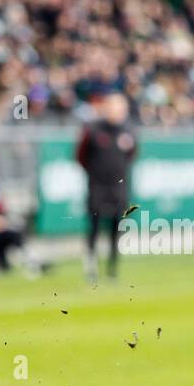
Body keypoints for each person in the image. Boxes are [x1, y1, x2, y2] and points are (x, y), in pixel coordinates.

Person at [75, 91, 137, 282]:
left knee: (117, 225)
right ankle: (91, 266)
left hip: (118, 186)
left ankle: (112, 269)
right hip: (97, 185)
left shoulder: (128, 131)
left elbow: (131, 154)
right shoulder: (92, 130)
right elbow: (80, 156)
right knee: (94, 225)